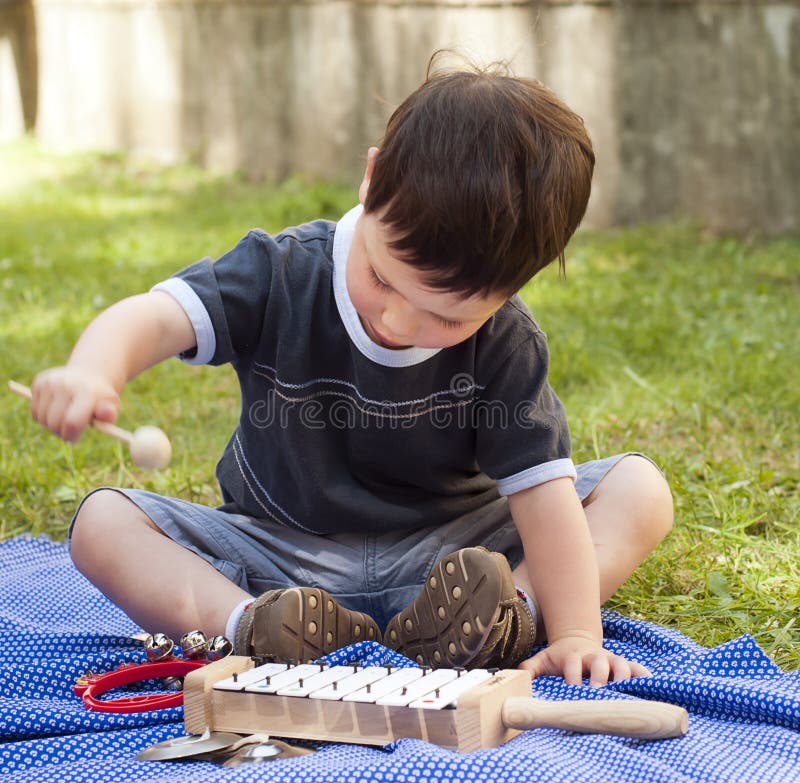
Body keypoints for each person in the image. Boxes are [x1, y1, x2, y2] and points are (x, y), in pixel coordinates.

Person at [27, 57, 673, 687]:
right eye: (382, 277)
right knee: (101, 524)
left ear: (509, 290)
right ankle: (251, 627)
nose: (398, 321)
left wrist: (578, 637)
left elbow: (543, 503)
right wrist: (93, 371)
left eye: (445, 319)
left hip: (451, 562)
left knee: (639, 490)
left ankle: (509, 618)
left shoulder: (506, 342)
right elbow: (156, 317)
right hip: (283, 559)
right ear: (371, 179)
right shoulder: (280, 271)